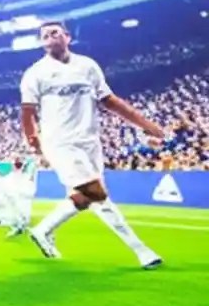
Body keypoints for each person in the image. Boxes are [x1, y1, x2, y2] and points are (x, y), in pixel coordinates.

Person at [20, 20, 164, 268]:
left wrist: (144, 124)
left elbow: (110, 101)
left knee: (87, 198)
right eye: (44, 35)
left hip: (90, 141)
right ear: (41, 43)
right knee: (97, 193)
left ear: (67, 37)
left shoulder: (87, 66)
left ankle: (43, 229)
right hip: (60, 142)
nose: (49, 36)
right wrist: (33, 140)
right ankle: (141, 251)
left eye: (54, 32)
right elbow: (27, 111)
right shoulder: (35, 73)